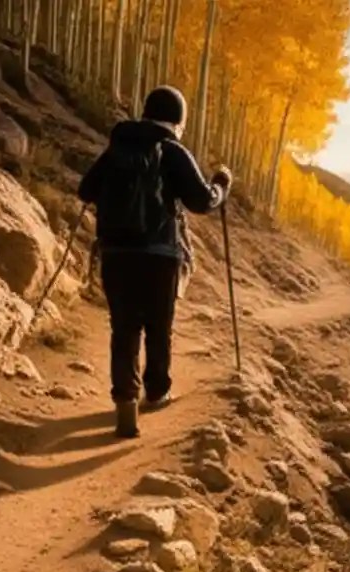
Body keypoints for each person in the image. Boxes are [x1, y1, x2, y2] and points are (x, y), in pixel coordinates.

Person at [78, 85, 232, 439]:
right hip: (160, 254)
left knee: (124, 328)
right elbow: (202, 201)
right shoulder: (173, 150)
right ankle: (157, 391)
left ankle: (125, 400)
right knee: (158, 328)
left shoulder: (118, 147)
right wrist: (222, 184)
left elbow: (86, 190)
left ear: (145, 112)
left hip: (116, 253)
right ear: (178, 120)